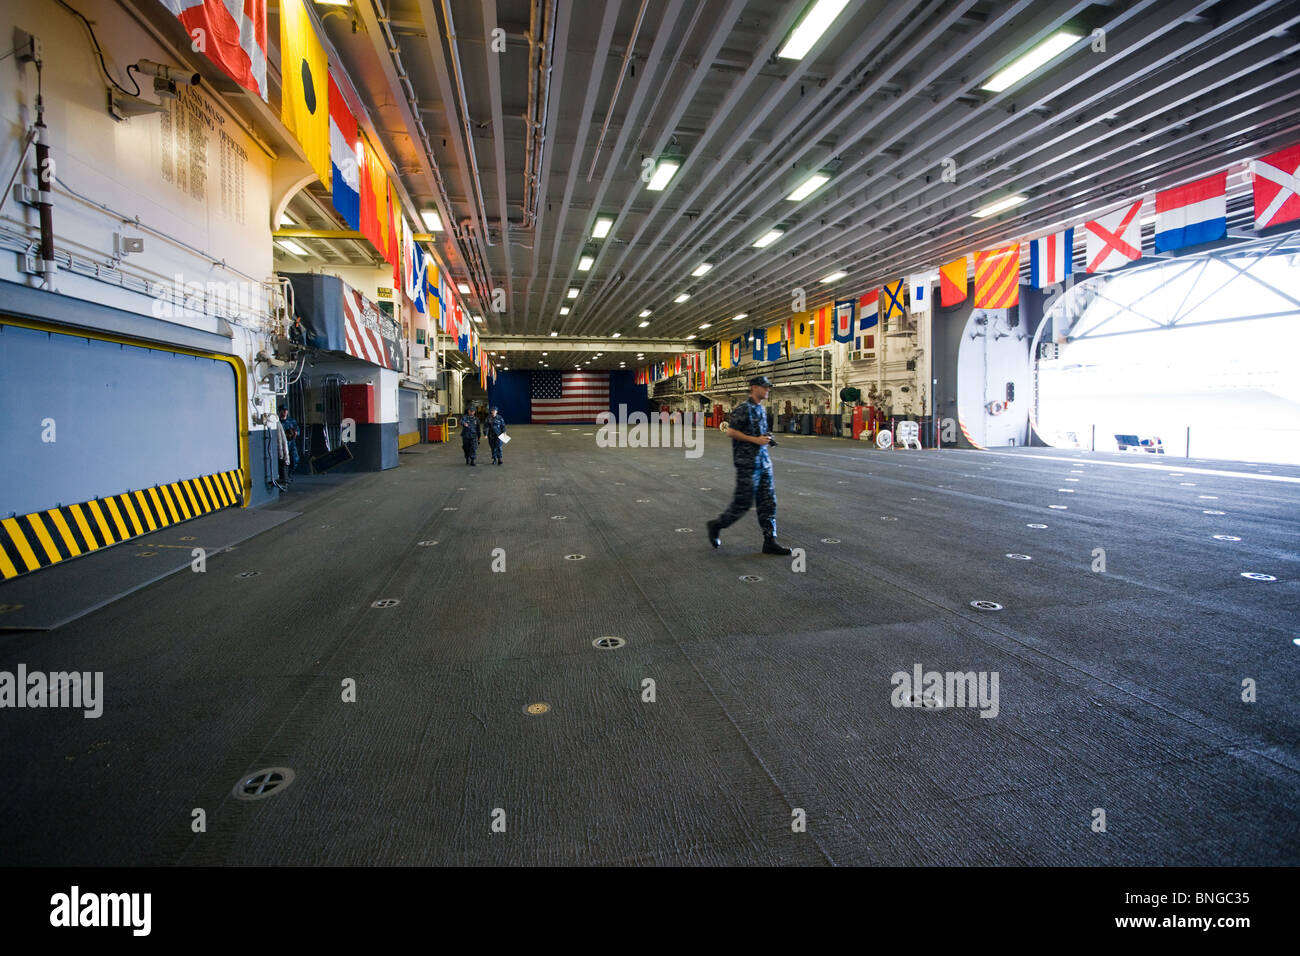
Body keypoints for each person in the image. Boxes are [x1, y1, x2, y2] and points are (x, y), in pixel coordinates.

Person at [707, 375, 792, 555]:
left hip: (763, 463)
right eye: (765, 387)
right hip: (748, 464)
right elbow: (731, 432)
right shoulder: (743, 409)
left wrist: (768, 439)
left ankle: (770, 541)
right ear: (754, 387)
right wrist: (755, 440)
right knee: (743, 503)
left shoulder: (760, 410)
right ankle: (717, 525)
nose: (768, 390)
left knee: (768, 502)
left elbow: (759, 433)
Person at [278, 405, 300, 484]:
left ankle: (289, 475)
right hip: (281, 445)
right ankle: (284, 477)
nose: (285, 412)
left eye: (286, 410)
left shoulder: (291, 421)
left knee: (295, 460)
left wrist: (295, 433)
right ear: (280, 411)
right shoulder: (277, 422)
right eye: (283, 410)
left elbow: (298, 430)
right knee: (283, 461)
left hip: (291, 443)